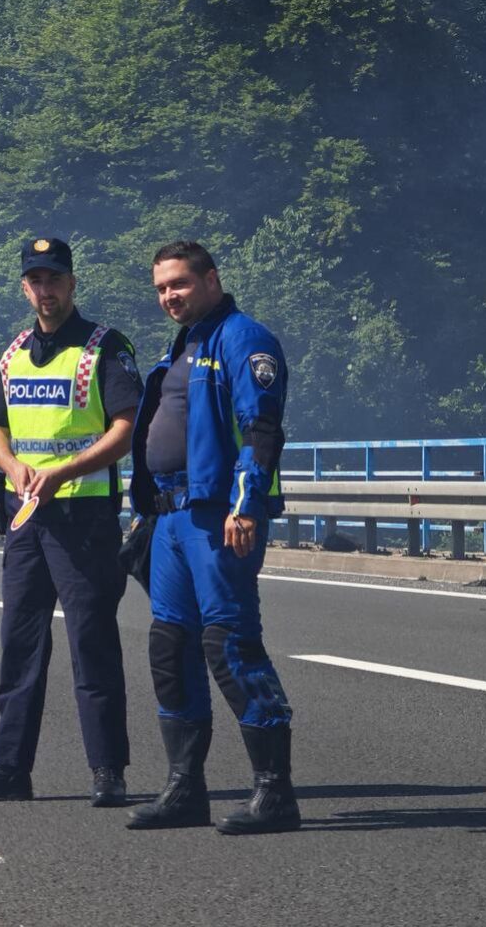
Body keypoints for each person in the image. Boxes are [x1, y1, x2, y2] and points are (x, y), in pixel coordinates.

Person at [0, 236, 143, 808]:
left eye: (54, 279)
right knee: (19, 642)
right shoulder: (11, 354)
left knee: (91, 641)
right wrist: (11, 466)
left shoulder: (104, 347)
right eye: (35, 280)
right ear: (24, 286)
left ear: (73, 283)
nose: (45, 289)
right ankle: (8, 767)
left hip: (82, 515)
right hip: (25, 517)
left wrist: (63, 471)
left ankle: (108, 769)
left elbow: (126, 427)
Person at [125, 240, 298, 835]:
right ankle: (184, 790)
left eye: (179, 283)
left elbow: (262, 430)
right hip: (171, 518)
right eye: (161, 288)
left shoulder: (242, 337)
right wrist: (147, 511)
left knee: (230, 644)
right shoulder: (185, 344)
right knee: (171, 648)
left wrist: (246, 504)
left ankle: (275, 794)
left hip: (217, 516)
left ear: (211, 279)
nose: (169, 296)